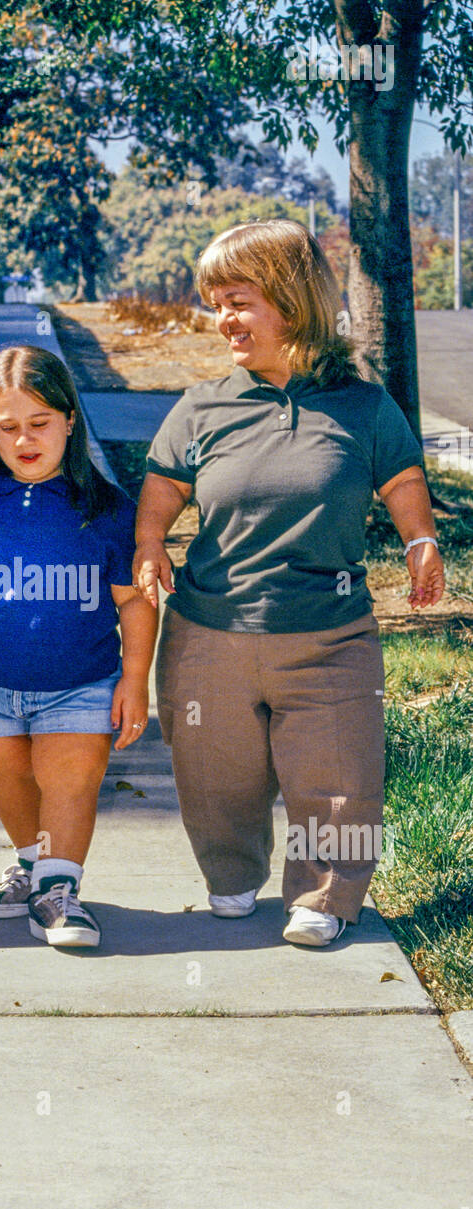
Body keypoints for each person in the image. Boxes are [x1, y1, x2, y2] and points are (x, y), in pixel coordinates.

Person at [134, 220, 444, 947]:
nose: (222, 320)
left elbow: (401, 479)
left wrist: (420, 540)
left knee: (338, 776)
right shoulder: (201, 406)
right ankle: (231, 876)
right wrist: (150, 543)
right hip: (210, 630)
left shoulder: (363, 405)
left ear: (290, 300)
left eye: (237, 300)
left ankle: (325, 898)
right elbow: (160, 492)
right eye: (215, 303)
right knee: (216, 775)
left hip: (329, 633)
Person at [0, 345, 157, 949]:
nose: (25, 440)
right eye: (9, 428)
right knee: (5, 779)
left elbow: (134, 601)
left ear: (70, 421)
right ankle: (32, 867)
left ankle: (58, 893)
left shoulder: (106, 510)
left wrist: (135, 682)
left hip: (80, 682)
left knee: (70, 781)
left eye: (40, 423)